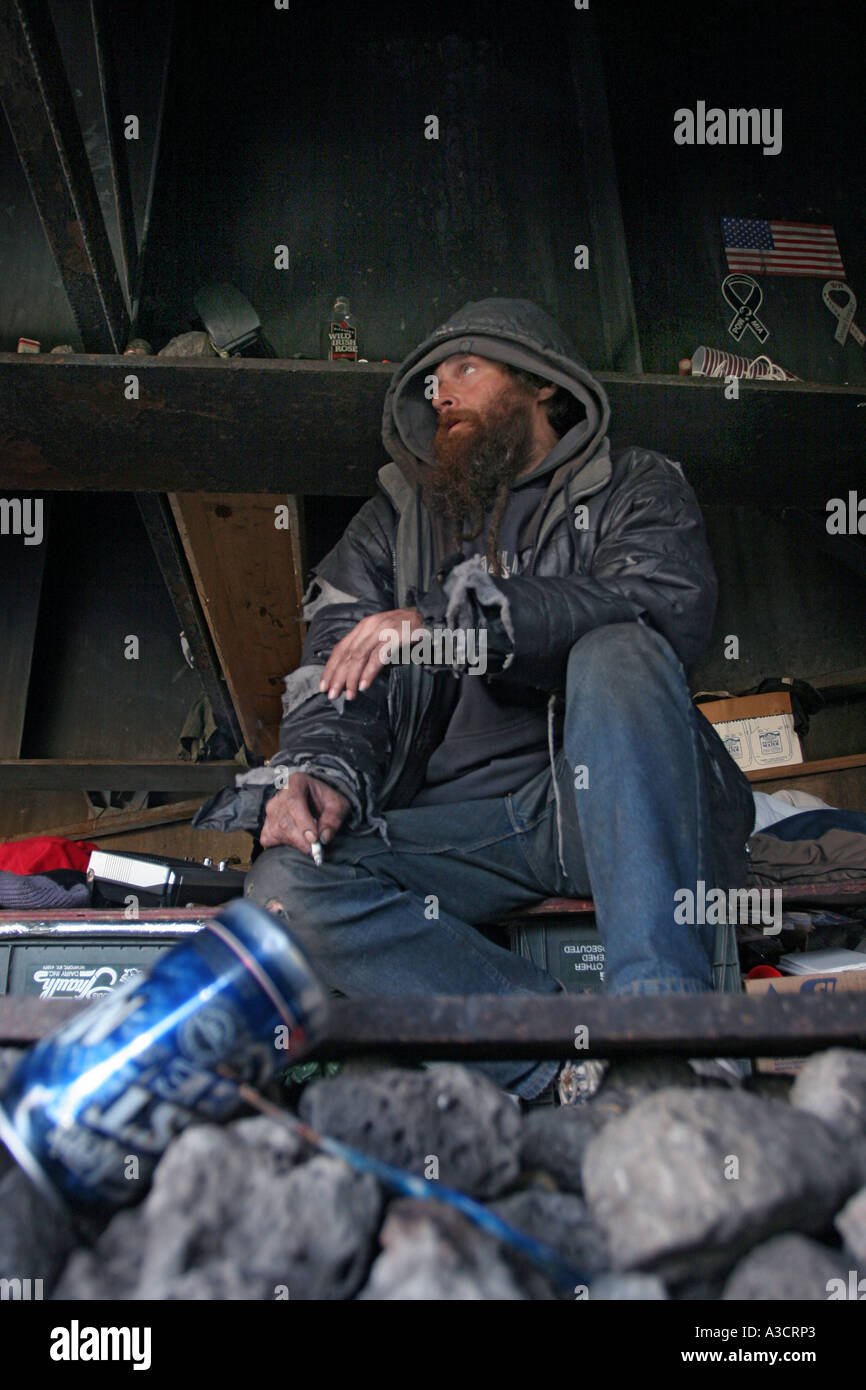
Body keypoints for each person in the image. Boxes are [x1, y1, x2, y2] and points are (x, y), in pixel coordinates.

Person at [196, 298, 755, 1102]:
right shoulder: (394, 522)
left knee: (620, 647)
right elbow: (335, 664)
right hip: (466, 833)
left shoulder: (635, 483)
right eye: (430, 381)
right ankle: (564, 1057)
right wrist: (318, 771)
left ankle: (667, 1034)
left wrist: (452, 621)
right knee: (286, 888)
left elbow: (661, 603)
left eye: (464, 368)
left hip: (605, 809)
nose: (440, 393)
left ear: (542, 388)